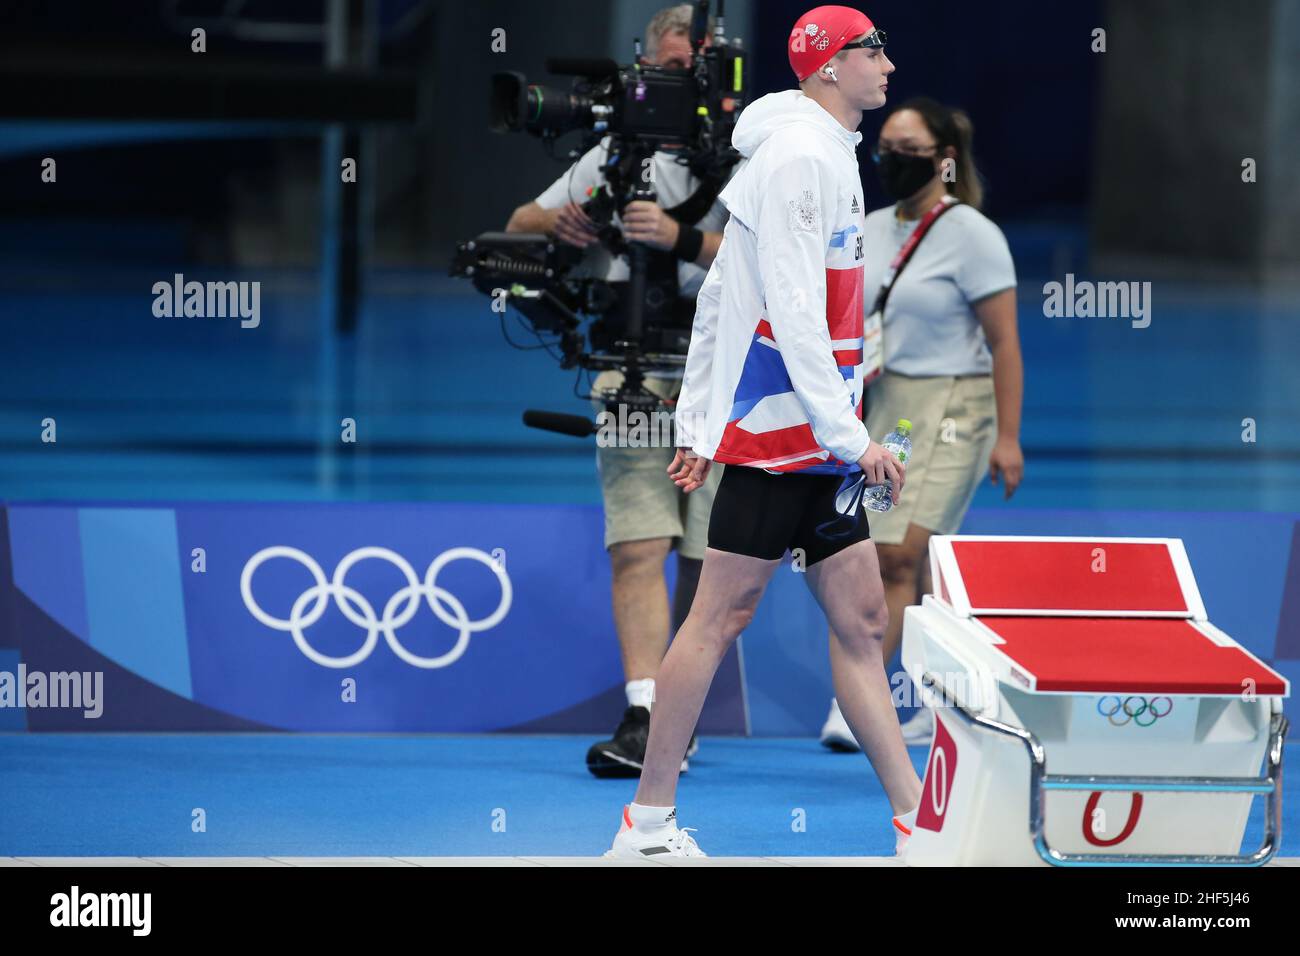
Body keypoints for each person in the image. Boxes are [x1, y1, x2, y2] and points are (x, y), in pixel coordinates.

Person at [605, 5, 921, 859]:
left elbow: (724, 296)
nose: (886, 64)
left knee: (858, 620)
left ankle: (918, 822)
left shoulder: (834, 155)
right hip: (785, 437)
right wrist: (849, 438)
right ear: (827, 67)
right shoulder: (794, 160)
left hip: (818, 435)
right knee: (718, 617)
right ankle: (647, 823)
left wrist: (709, 419)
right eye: (871, 49)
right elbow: (783, 309)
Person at [505, 5, 731, 777]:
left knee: (709, 557)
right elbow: (520, 220)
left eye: (678, 73)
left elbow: (778, 261)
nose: (661, 87)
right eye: (654, 72)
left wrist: (683, 239)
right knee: (639, 544)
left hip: (723, 384)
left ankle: (682, 710)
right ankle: (643, 711)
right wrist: (559, 221)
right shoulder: (613, 156)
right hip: (631, 376)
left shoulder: (750, 156)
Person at [819, 97, 1024, 752]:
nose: (889, 160)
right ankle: (949, 702)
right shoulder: (870, 225)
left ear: (943, 161)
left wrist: (1009, 437)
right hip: (893, 407)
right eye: (884, 147)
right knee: (920, 557)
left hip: (957, 406)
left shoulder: (973, 235)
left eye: (907, 151)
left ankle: (865, 697)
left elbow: (1006, 344)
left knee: (896, 550)